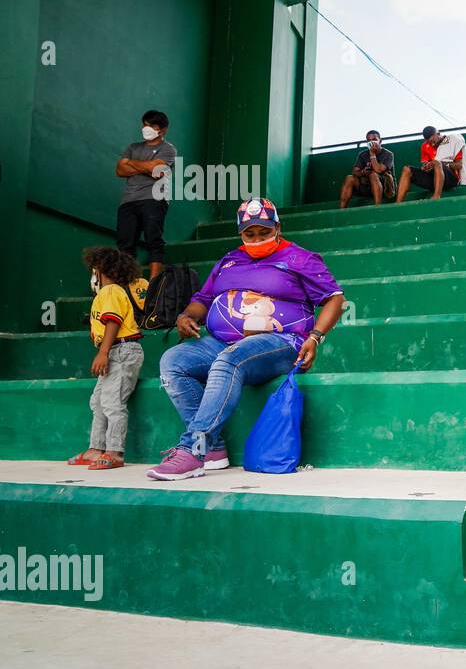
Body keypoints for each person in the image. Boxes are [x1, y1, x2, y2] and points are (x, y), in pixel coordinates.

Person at [147, 198, 345, 481]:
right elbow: (203, 298)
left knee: (229, 360)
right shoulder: (229, 260)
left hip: (282, 342)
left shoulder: (300, 258)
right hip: (221, 341)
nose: (256, 239)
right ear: (240, 232)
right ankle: (213, 449)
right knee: (173, 361)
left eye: (264, 232)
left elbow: (334, 299)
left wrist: (315, 337)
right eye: (249, 234)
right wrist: (187, 315)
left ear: (277, 227)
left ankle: (193, 450)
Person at [66, 247, 149, 471]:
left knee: (113, 403)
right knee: (98, 401)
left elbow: (113, 322)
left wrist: (103, 352)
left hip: (121, 351)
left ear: (100, 271)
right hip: (114, 350)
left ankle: (114, 452)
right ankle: (95, 448)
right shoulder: (108, 293)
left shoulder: (111, 291)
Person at [115, 110, 176, 279]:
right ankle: (128, 283)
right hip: (128, 200)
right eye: (145, 124)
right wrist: (145, 166)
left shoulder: (168, 150)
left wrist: (132, 164)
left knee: (153, 240)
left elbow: (155, 170)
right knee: (125, 243)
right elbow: (120, 170)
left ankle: (154, 284)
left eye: (152, 125)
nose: (146, 128)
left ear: (162, 130)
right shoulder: (133, 147)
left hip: (154, 198)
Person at [396, 126, 465, 202]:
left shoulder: (453, 141)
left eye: (433, 142)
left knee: (436, 162)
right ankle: (398, 203)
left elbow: (459, 165)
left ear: (438, 134)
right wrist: (426, 167)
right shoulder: (425, 146)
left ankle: (436, 197)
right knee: (407, 169)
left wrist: (441, 163)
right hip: (433, 179)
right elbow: (425, 164)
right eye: (429, 142)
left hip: (450, 180)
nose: (432, 144)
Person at [339, 130, 396, 209]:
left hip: (384, 187)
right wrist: (363, 172)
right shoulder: (362, 154)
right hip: (366, 186)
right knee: (349, 178)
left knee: (373, 175)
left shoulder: (388, 154)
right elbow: (355, 171)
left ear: (380, 141)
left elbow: (378, 170)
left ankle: (377, 208)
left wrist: (372, 153)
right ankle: (342, 210)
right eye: (369, 140)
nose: (371, 142)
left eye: (374, 139)